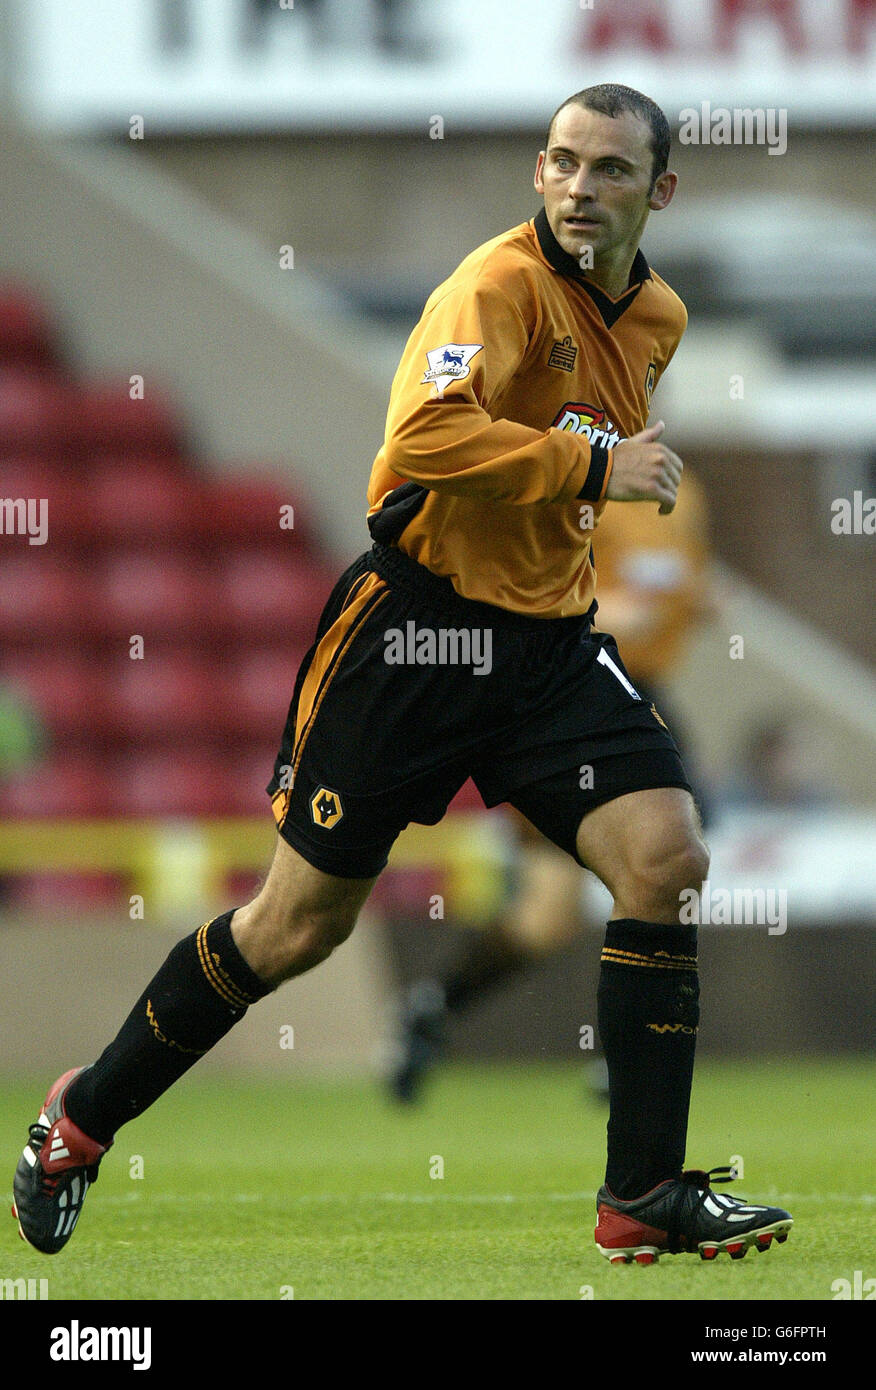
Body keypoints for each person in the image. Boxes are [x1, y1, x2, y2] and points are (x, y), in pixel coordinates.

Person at [13, 84, 791, 1266]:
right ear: (540, 173)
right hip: (413, 639)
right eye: (566, 163)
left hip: (547, 652)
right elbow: (416, 446)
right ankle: (78, 1121)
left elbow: (581, 451)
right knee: (295, 928)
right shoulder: (492, 287)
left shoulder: (659, 317)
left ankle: (640, 1193)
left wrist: (596, 498)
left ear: (660, 192)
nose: (584, 186)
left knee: (667, 854)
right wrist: (592, 474)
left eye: (613, 170)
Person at [388, 471, 718, 1105]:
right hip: (575, 694)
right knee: (551, 915)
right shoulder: (571, 473)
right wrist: (597, 604)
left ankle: (627, 1045)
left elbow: (688, 580)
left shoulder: (685, 491)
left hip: (643, 697)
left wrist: (699, 599)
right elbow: (523, 571)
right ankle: (433, 1007)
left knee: (662, 870)